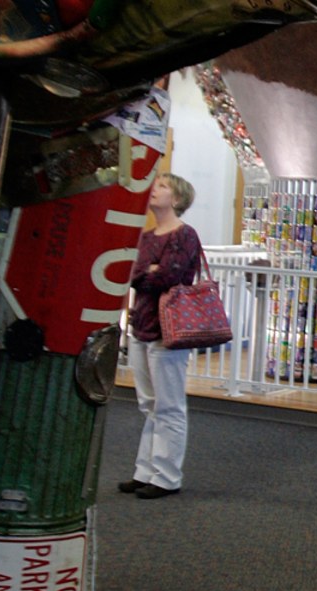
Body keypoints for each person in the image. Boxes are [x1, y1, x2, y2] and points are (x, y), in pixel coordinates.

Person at [118, 173, 202, 500]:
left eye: (163, 187)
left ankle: (167, 476)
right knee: (149, 404)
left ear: (178, 199)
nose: (155, 190)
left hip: (169, 329)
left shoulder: (185, 235)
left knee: (168, 406)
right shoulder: (148, 236)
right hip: (142, 323)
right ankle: (146, 471)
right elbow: (135, 274)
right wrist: (146, 271)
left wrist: (147, 273)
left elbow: (168, 275)